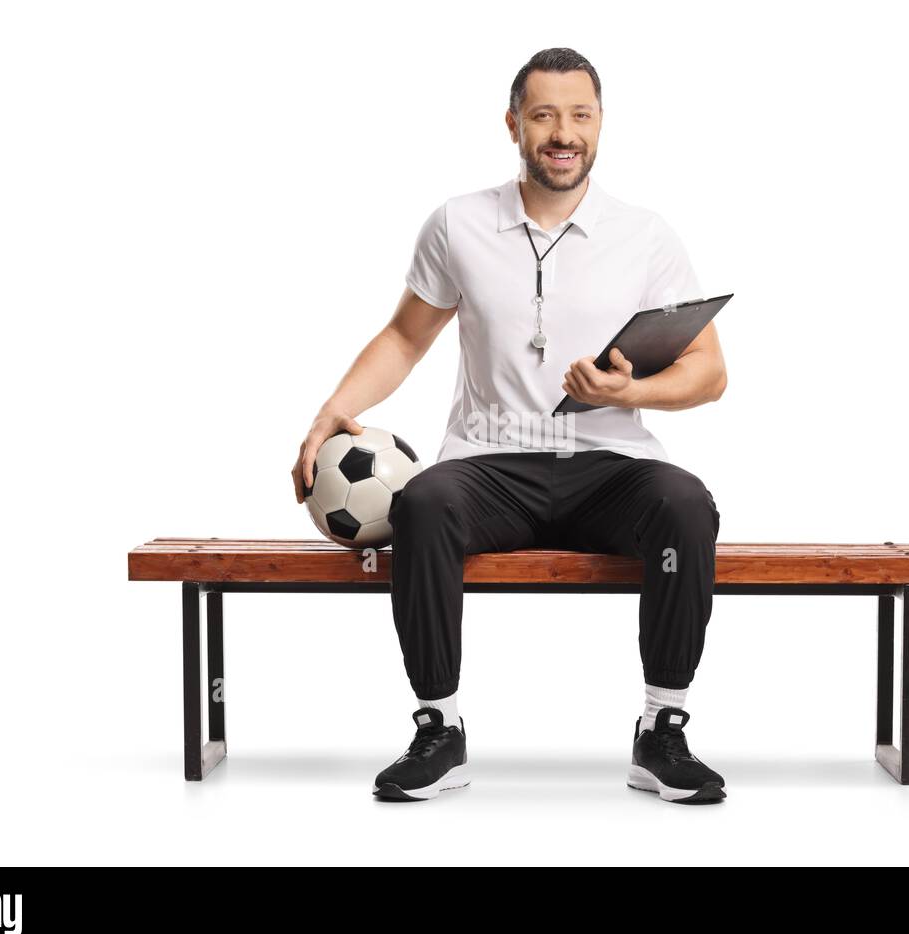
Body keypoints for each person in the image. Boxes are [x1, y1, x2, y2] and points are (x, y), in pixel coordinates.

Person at [292, 48, 728, 804]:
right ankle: (440, 729)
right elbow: (404, 337)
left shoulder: (645, 234)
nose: (564, 132)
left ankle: (662, 730)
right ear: (514, 124)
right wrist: (333, 408)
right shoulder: (459, 223)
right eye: (545, 114)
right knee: (421, 503)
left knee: (685, 503)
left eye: (581, 115)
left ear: (601, 125)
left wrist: (636, 387)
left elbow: (710, 371)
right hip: (490, 462)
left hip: (607, 461)